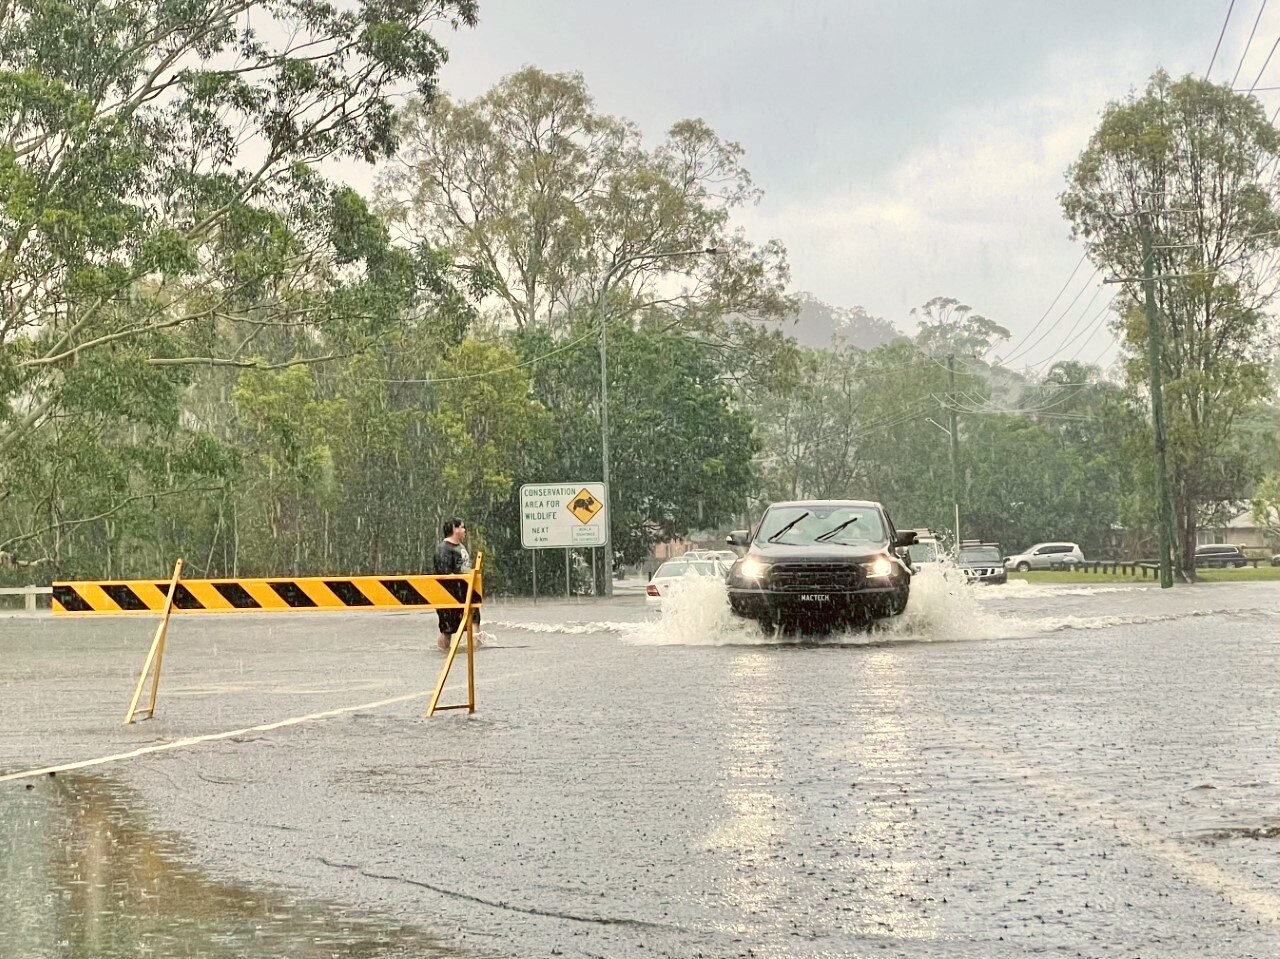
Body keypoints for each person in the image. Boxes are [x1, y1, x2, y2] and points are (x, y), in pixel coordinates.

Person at [433, 518, 483, 650]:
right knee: (448, 630)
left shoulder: (460, 546)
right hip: (450, 597)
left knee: (474, 621)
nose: (464, 530)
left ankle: (475, 651)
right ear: (455, 529)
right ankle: (444, 653)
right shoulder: (443, 549)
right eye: (462, 527)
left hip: (466, 594)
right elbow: (444, 574)